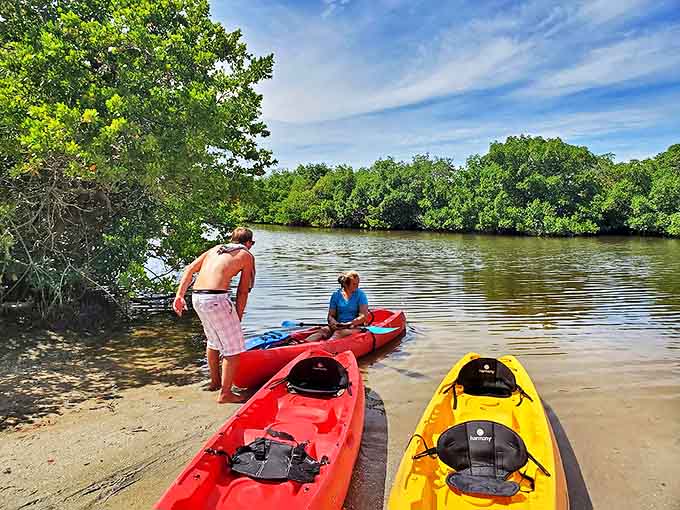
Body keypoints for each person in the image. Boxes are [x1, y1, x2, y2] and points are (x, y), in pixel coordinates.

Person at [172, 227, 256, 404]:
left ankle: (215, 383)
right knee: (233, 349)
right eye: (252, 244)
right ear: (248, 243)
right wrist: (238, 316)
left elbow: (190, 269)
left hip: (197, 297)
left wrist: (180, 295)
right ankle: (226, 394)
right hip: (215, 299)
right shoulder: (246, 255)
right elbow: (243, 291)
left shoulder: (215, 249)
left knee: (213, 341)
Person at [306, 271, 368, 342]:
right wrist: (334, 322)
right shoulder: (336, 295)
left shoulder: (361, 295)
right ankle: (301, 344)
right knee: (323, 331)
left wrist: (350, 323)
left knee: (339, 333)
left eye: (358, 283)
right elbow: (331, 315)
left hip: (355, 327)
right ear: (345, 284)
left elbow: (364, 316)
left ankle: (326, 345)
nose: (357, 286)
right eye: (354, 284)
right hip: (338, 326)